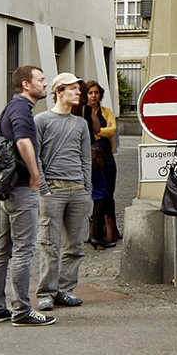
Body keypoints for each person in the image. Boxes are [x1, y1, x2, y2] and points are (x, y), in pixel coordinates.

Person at [0, 65, 52, 326]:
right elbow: (23, 142)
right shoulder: (22, 109)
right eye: (41, 79)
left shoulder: (11, 106)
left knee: (3, 248)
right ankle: (22, 311)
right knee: (23, 250)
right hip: (21, 188)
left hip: (5, 189)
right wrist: (35, 175)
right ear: (27, 84)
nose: (45, 84)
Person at [35, 73, 92, 313]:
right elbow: (35, 156)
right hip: (53, 191)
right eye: (73, 89)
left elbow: (86, 158)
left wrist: (87, 190)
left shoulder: (81, 123)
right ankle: (45, 293)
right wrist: (44, 189)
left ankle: (65, 290)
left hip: (77, 191)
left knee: (75, 246)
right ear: (59, 91)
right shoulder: (42, 120)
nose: (79, 93)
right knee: (49, 244)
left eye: (79, 89)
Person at [80, 80, 120, 248]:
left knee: (108, 195)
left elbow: (112, 130)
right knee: (99, 196)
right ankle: (96, 232)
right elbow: (88, 133)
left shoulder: (106, 112)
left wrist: (99, 132)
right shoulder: (83, 112)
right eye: (90, 93)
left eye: (96, 93)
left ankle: (111, 230)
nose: (93, 96)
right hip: (93, 160)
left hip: (107, 158)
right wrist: (100, 132)